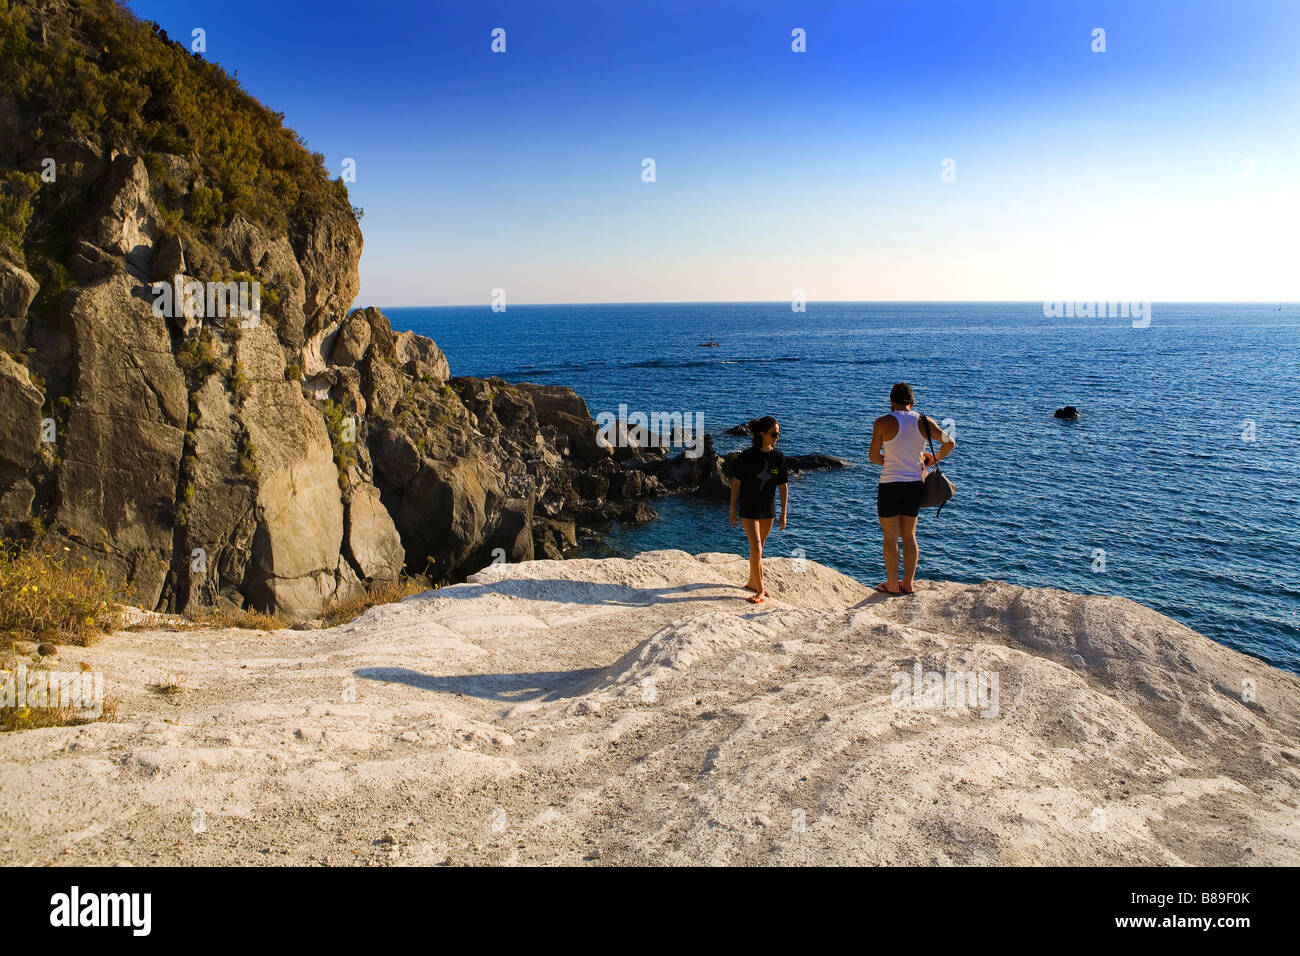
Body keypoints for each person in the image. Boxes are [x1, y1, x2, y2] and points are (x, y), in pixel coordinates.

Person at [868, 383, 955, 595]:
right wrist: (931, 461)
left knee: (890, 537)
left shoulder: (883, 422)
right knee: (909, 535)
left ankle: (891, 584)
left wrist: (890, 462)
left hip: (889, 484)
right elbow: (949, 443)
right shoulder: (924, 422)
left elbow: (872, 457)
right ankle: (907, 583)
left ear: (891, 402)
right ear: (912, 403)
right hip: (914, 486)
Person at [727, 416, 788, 604]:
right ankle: (761, 591)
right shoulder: (746, 456)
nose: (777, 437)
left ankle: (753, 582)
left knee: (758, 550)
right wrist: (732, 510)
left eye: (778, 434)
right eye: (774, 434)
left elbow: (783, 487)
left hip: (768, 510)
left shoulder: (778, 457)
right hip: (749, 508)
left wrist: (784, 513)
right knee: (757, 547)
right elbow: (736, 484)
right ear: (763, 434)